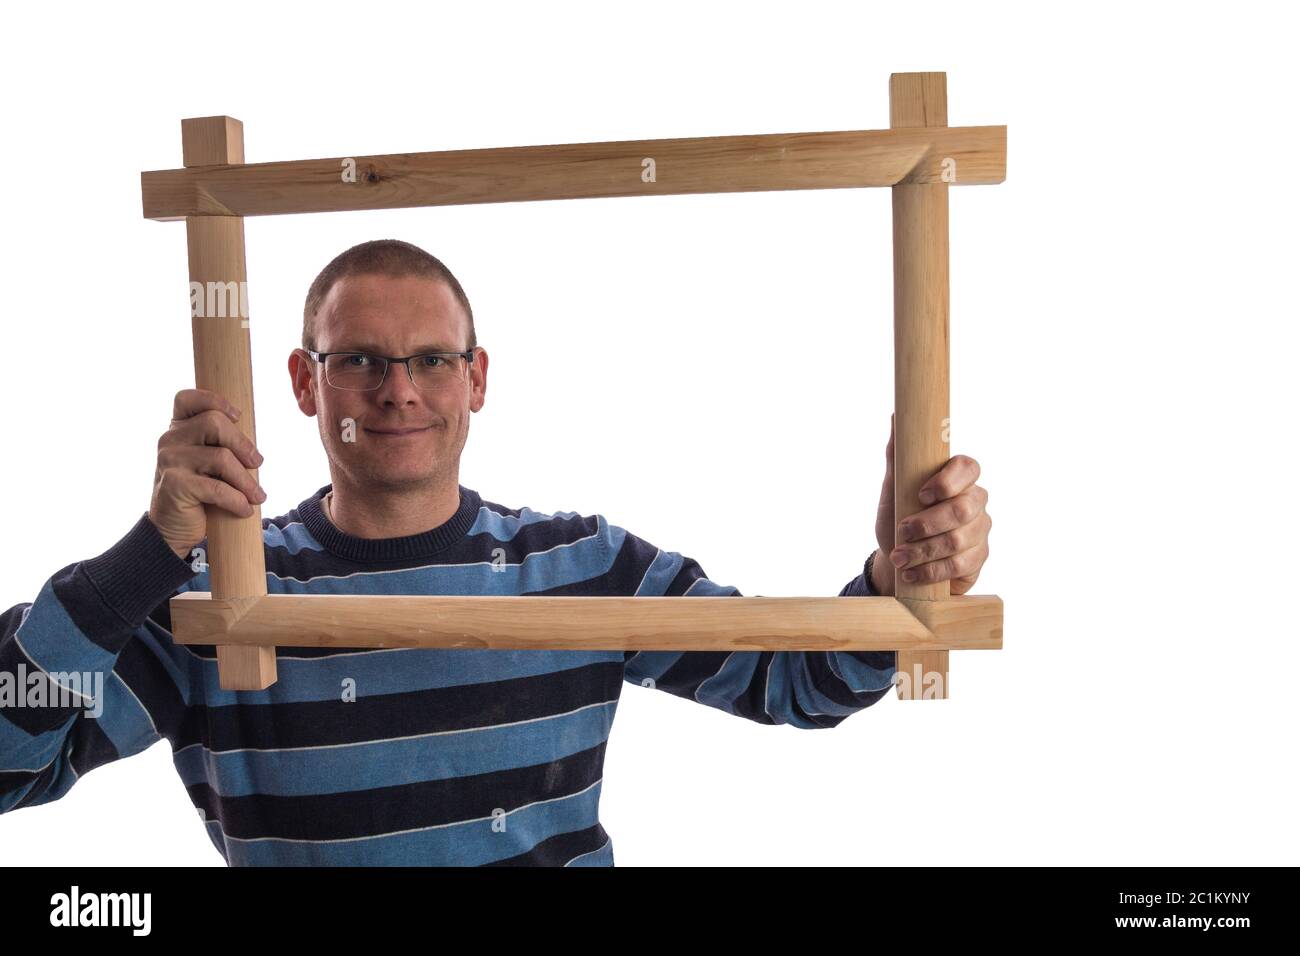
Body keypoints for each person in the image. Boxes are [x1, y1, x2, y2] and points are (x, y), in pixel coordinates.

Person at [0, 239, 992, 865]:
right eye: (361, 362)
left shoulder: (583, 565)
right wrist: (149, 550)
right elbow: (8, 762)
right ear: (306, 383)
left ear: (476, 379)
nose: (400, 391)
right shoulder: (226, 594)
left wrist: (894, 583)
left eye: (432, 358)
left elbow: (803, 686)